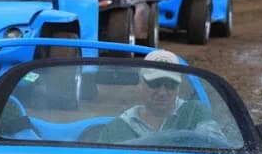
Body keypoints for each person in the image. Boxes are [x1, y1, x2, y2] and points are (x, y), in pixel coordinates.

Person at [79, 49, 226, 144]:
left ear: (178, 87)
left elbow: (218, 148)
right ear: (141, 84)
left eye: (170, 84)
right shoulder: (117, 128)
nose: (162, 92)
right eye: (155, 83)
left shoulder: (195, 112)